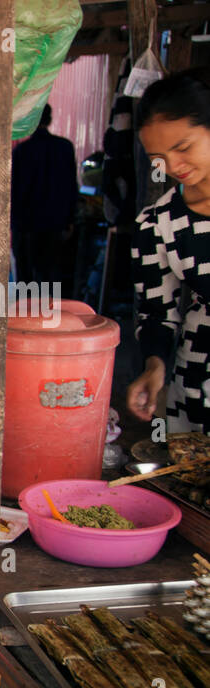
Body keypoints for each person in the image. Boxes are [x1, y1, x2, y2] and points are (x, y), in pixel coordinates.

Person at [125, 69, 210, 430]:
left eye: (183, 147)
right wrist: (155, 365)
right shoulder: (157, 224)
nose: (173, 166)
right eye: (158, 157)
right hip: (197, 384)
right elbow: (157, 312)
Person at [10, 104, 78, 288]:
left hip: (26, 227)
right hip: (55, 226)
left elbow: (13, 194)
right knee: (51, 280)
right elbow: (72, 188)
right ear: (49, 119)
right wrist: (69, 219)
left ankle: (25, 316)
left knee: (26, 282)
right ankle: (51, 316)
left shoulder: (21, 152)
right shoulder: (65, 148)